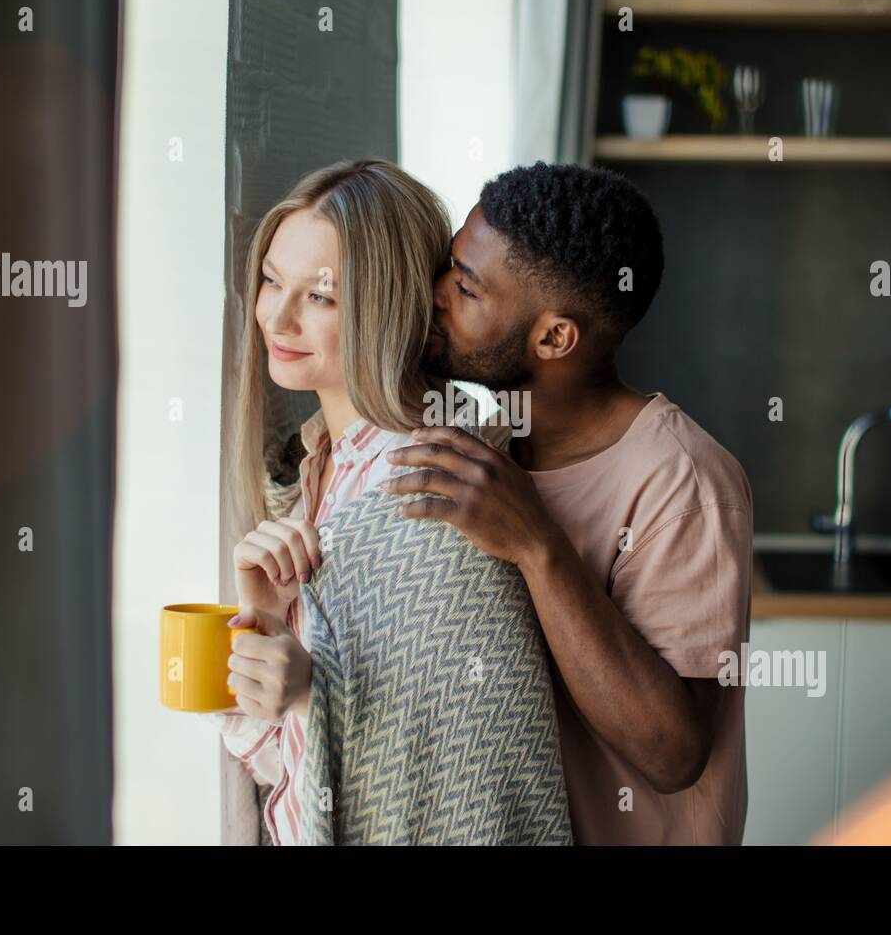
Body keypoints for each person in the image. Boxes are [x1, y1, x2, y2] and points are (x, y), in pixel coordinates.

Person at [385, 161, 754, 845]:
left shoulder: (684, 481)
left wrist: (537, 545)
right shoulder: (487, 443)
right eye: (449, 269)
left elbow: (674, 756)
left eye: (465, 288)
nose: (434, 294)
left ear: (555, 338)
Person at [209, 158, 570, 845]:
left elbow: (454, 770)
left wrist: (312, 692)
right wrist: (263, 633)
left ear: (388, 304)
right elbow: (279, 769)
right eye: (271, 280)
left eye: (321, 297)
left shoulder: (442, 486)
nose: (277, 317)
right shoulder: (314, 462)